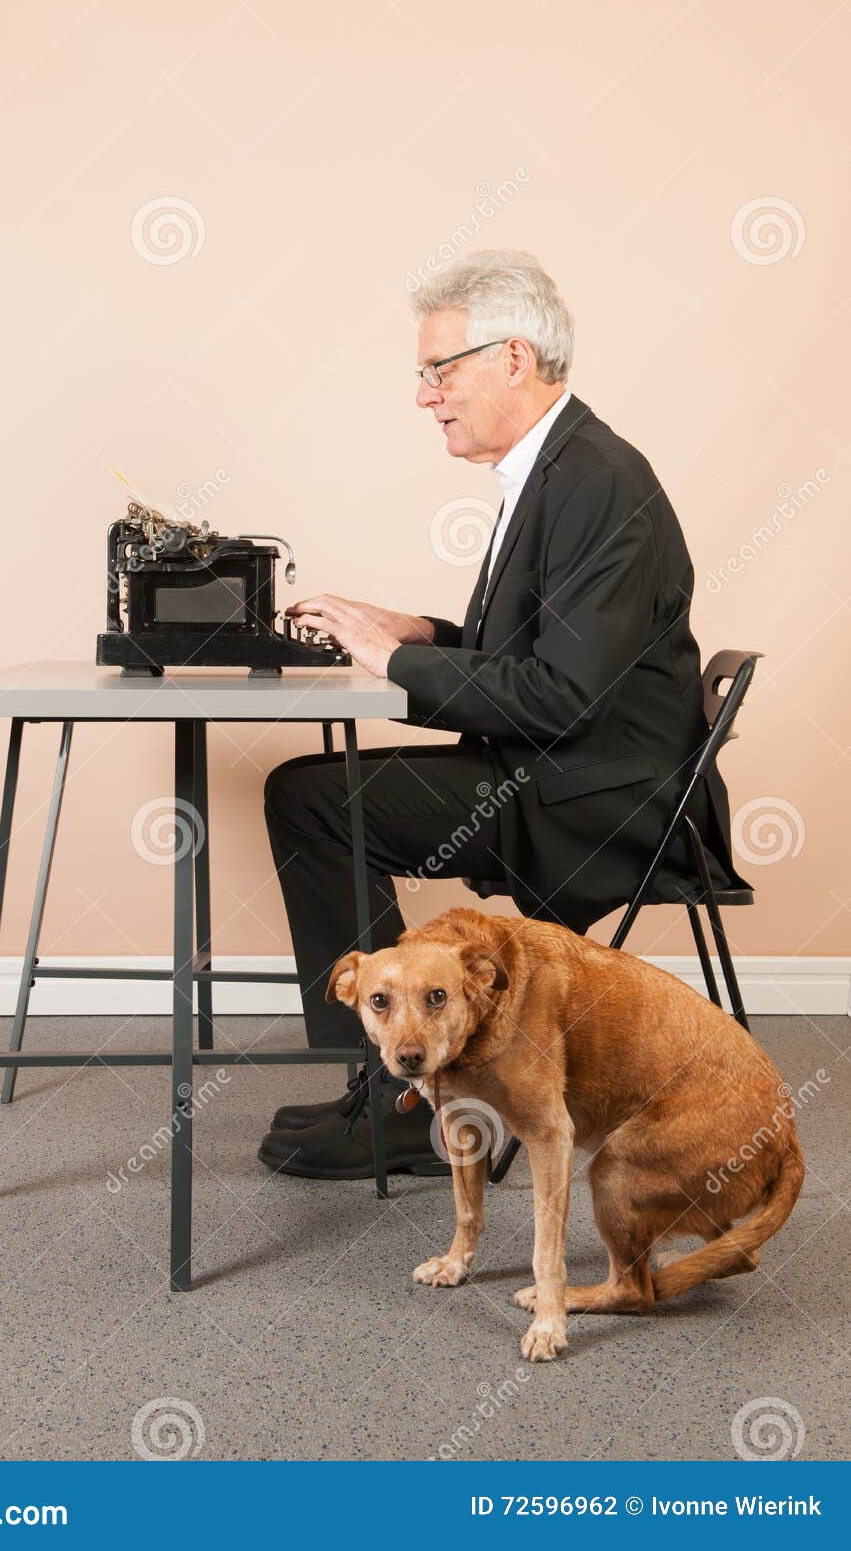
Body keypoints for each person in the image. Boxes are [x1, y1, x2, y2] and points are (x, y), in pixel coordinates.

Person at [259, 248, 749, 1181]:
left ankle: (409, 1103)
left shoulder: (595, 481)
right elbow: (540, 659)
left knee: (310, 802)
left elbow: (560, 700)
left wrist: (392, 660)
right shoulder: (560, 468)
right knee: (310, 792)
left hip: (599, 801)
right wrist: (418, 630)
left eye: (438, 369)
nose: (424, 395)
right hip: (567, 771)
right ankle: (402, 1089)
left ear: (512, 359)